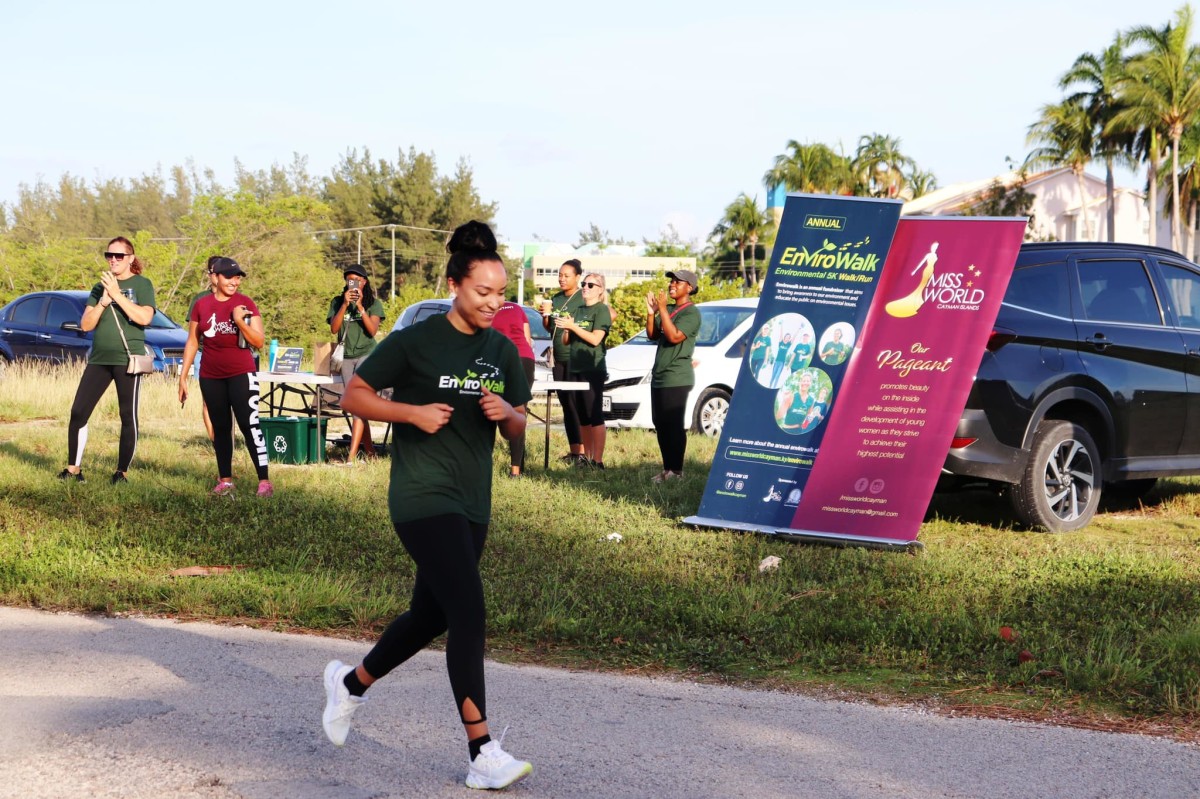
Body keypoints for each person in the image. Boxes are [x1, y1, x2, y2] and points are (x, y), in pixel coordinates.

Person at [321, 220, 534, 791]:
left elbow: (519, 424)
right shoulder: (416, 341)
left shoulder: (502, 351)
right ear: (454, 285)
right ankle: (482, 751)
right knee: (469, 610)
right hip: (420, 494)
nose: (493, 303)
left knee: (431, 615)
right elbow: (354, 394)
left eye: (500, 293)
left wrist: (507, 417)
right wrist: (412, 414)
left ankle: (350, 684)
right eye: (482, 292)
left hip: (473, 500)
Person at [59, 236, 157, 485]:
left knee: (127, 416)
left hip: (128, 358)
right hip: (99, 359)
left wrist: (117, 295)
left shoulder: (142, 284)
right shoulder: (98, 286)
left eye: (118, 256)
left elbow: (144, 318)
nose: (113, 260)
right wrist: (104, 299)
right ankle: (73, 470)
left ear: (130, 258)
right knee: (78, 411)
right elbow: (86, 324)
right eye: (109, 255)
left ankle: (120, 473)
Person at [177, 257, 272, 498]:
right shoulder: (202, 305)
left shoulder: (245, 303)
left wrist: (239, 320)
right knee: (221, 428)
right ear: (215, 278)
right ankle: (225, 481)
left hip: (241, 373)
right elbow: (192, 341)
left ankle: (264, 481)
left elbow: (259, 342)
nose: (234, 281)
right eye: (229, 277)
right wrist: (183, 376)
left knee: (250, 426)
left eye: (238, 277)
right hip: (210, 375)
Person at [646, 269, 700, 483]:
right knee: (660, 422)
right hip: (660, 375)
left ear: (690, 288)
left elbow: (675, 336)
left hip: (677, 376)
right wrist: (652, 313)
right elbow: (652, 335)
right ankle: (667, 469)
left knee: (673, 424)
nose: (672, 284)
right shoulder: (667, 309)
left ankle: (676, 471)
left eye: (678, 282)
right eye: (671, 281)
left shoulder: (691, 313)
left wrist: (661, 310)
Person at [328, 264, 385, 464]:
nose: (354, 283)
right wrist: (344, 305)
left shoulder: (373, 304)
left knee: (357, 404)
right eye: (350, 280)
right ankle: (370, 452)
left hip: (367, 355)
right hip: (346, 357)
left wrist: (360, 307)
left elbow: (372, 331)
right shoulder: (337, 302)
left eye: (358, 280)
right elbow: (334, 330)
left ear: (365, 282)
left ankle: (351, 458)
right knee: (357, 407)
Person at [557, 272, 611, 468]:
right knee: (582, 414)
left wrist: (574, 327)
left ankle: (598, 460)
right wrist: (566, 329)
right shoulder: (578, 310)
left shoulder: (602, 310)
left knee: (594, 412)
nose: (585, 288)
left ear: (600, 290)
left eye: (590, 285)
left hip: (592, 368)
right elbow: (566, 341)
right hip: (575, 366)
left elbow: (596, 339)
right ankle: (586, 458)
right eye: (584, 284)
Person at [541, 258, 585, 462]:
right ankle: (574, 451)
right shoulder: (556, 299)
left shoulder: (583, 298)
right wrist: (545, 316)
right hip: (558, 358)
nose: (562, 279)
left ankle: (584, 452)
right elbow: (550, 328)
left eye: (566, 275)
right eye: (559, 275)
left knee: (577, 404)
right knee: (566, 405)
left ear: (577, 277)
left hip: (576, 357)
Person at [491, 299, 536, 477]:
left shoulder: (486, 307)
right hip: (525, 358)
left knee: (491, 409)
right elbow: (527, 339)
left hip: (501, 357)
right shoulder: (517, 308)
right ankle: (516, 470)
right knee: (519, 411)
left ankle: (481, 464)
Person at [187, 258, 220, 441]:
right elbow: (192, 334)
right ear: (209, 275)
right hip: (204, 354)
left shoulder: (236, 299)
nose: (217, 276)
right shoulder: (199, 299)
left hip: (228, 356)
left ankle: (226, 438)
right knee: (209, 401)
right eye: (214, 272)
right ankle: (215, 441)